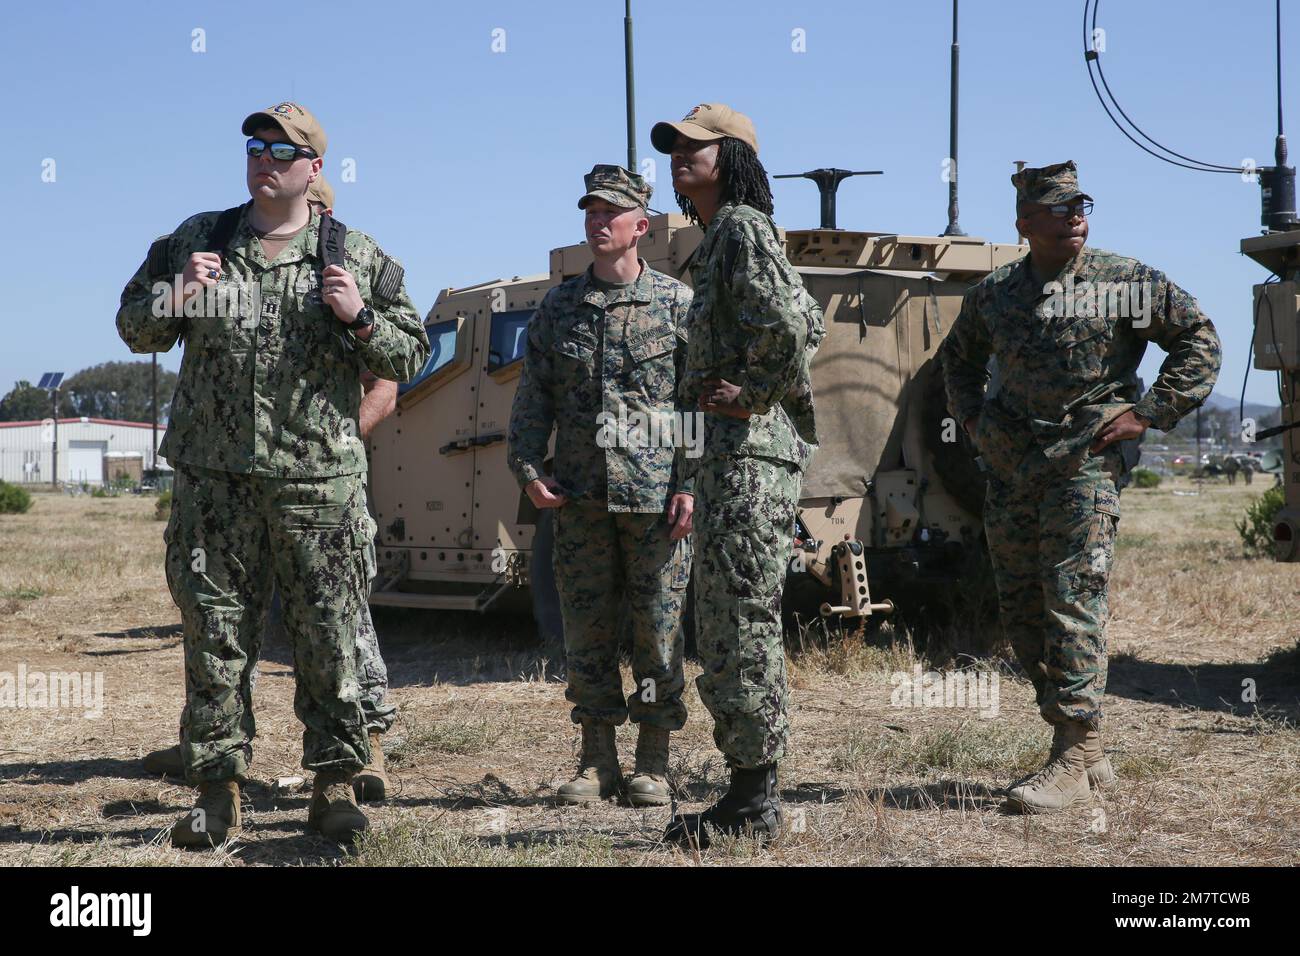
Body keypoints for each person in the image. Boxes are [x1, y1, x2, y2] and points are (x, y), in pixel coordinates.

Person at [116, 101, 429, 846]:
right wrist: (176, 293)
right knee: (215, 633)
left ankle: (335, 785)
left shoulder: (352, 253)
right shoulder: (198, 239)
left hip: (317, 488)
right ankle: (217, 792)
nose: (265, 160)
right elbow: (134, 328)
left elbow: (411, 354)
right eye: (255, 147)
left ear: (313, 169)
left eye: (283, 151)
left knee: (327, 638)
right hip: (214, 486)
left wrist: (360, 318)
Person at [940, 160, 1221, 813]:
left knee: (1073, 600)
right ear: (1025, 223)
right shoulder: (1000, 292)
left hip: (1084, 465)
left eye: (1080, 205)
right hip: (1011, 469)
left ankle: (1068, 758)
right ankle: (1087, 747)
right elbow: (958, 359)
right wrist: (975, 420)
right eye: (1058, 208)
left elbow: (1197, 340)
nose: (1074, 216)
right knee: (1023, 610)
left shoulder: (1121, 282)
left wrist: (1149, 412)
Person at [649, 104, 825, 847]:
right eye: (675, 149)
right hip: (733, 459)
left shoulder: (742, 228)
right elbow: (807, 317)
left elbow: (788, 328)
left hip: (750, 459)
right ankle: (750, 792)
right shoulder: (724, 235)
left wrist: (752, 393)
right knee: (725, 619)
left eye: (697, 146)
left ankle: (753, 805)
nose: (680, 156)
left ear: (736, 156)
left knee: (738, 622)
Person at [507, 165, 695, 807]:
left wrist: (689, 483)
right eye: (589, 211)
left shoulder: (677, 306)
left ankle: (654, 760)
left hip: (655, 504)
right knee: (586, 633)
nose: (597, 221)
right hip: (580, 500)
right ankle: (595, 761)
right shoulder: (560, 308)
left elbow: (696, 405)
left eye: (610, 212)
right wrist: (529, 471)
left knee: (658, 633)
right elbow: (533, 401)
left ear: (641, 225)